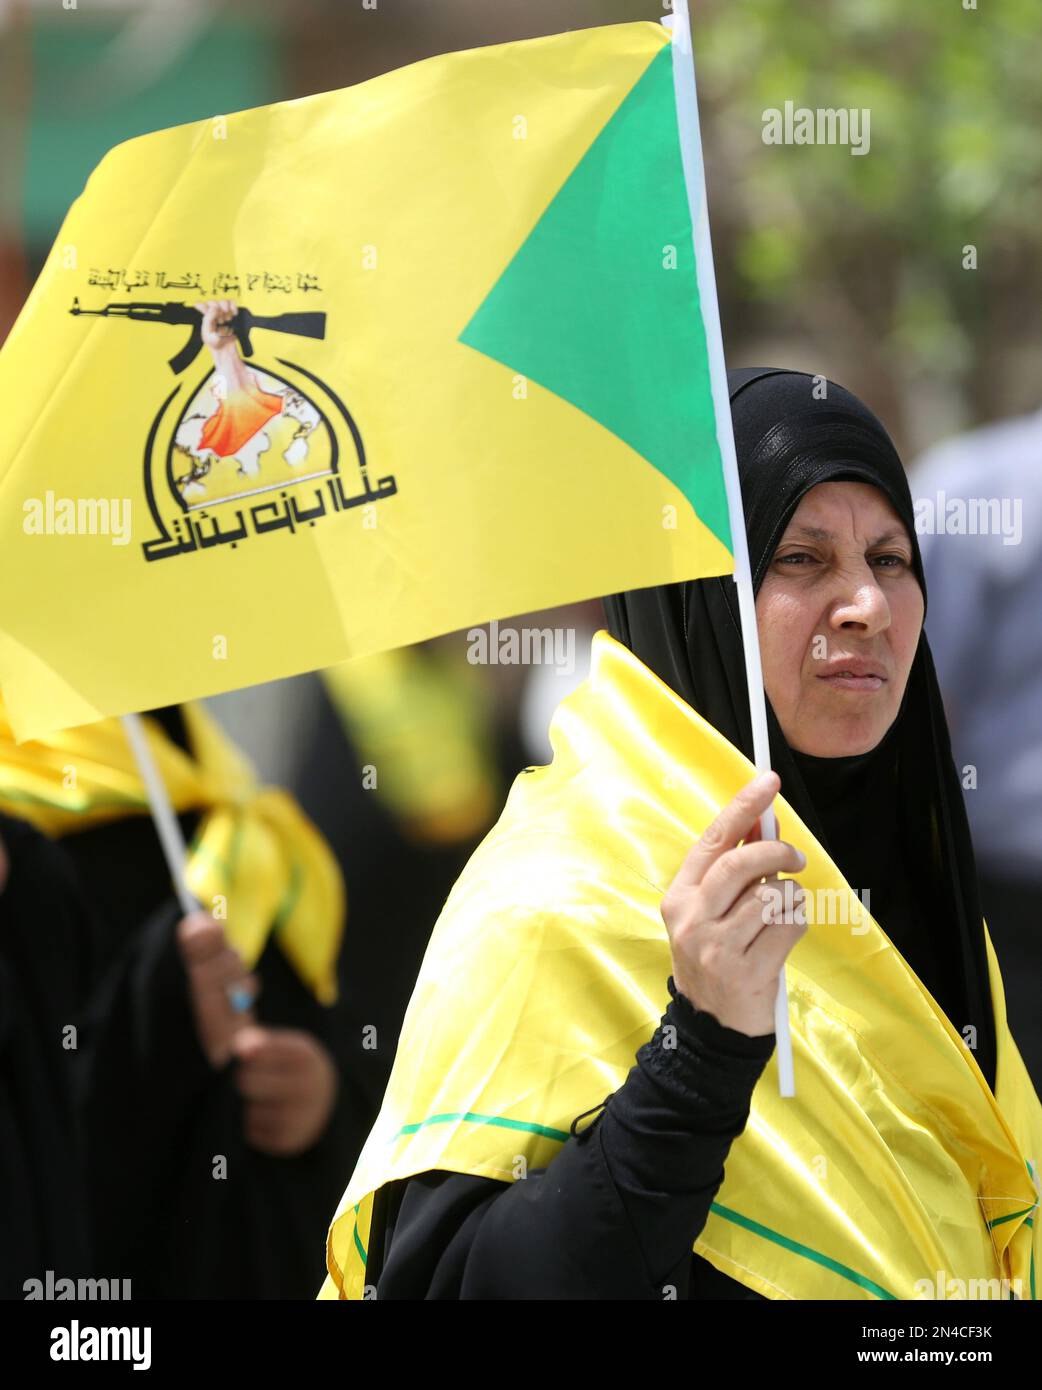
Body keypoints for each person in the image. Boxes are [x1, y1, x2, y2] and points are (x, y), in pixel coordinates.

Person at [321, 367, 1042, 1302]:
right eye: (801, 559)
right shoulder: (554, 898)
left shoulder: (923, 890)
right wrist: (701, 1052)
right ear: (703, 595)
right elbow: (459, 1285)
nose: (865, 603)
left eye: (892, 560)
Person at [0, 700, 359, 1299]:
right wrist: (161, 1013)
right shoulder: (22, 817)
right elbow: (44, 1110)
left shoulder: (212, 779)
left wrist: (324, 1099)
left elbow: (326, 1021)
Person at [911, 405, 1042, 1089]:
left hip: (992, 881)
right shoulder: (975, 484)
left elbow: (917, 698)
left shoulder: (975, 483)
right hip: (997, 888)